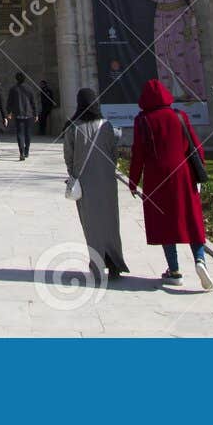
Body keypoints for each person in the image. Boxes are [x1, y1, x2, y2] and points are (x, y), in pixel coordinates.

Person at [126, 78, 213, 290]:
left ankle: (174, 271)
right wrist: (200, 172)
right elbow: (196, 147)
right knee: (191, 219)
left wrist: (133, 181)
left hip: (157, 176)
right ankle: (200, 260)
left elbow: (138, 154)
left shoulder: (143, 120)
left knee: (165, 222)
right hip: (183, 173)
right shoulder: (180, 116)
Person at [125, 0, 205, 102]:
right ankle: (171, 94)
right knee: (163, 56)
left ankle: (190, 92)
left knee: (179, 54)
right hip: (161, 17)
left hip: (178, 16)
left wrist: (191, 19)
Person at [62, 88, 128, 281]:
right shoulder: (106, 126)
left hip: (85, 183)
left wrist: (73, 174)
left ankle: (97, 265)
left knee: (91, 225)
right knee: (111, 222)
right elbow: (114, 151)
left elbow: (69, 156)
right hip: (107, 182)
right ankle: (115, 264)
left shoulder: (73, 127)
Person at [7, 72, 40, 160]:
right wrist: (36, 114)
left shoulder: (13, 89)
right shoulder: (29, 88)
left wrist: (9, 112)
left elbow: (9, 102)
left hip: (18, 114)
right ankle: (26, 151)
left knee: (19, 134)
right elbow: (33, 102)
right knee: (28, 133)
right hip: (28, 114)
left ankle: (21, 152)